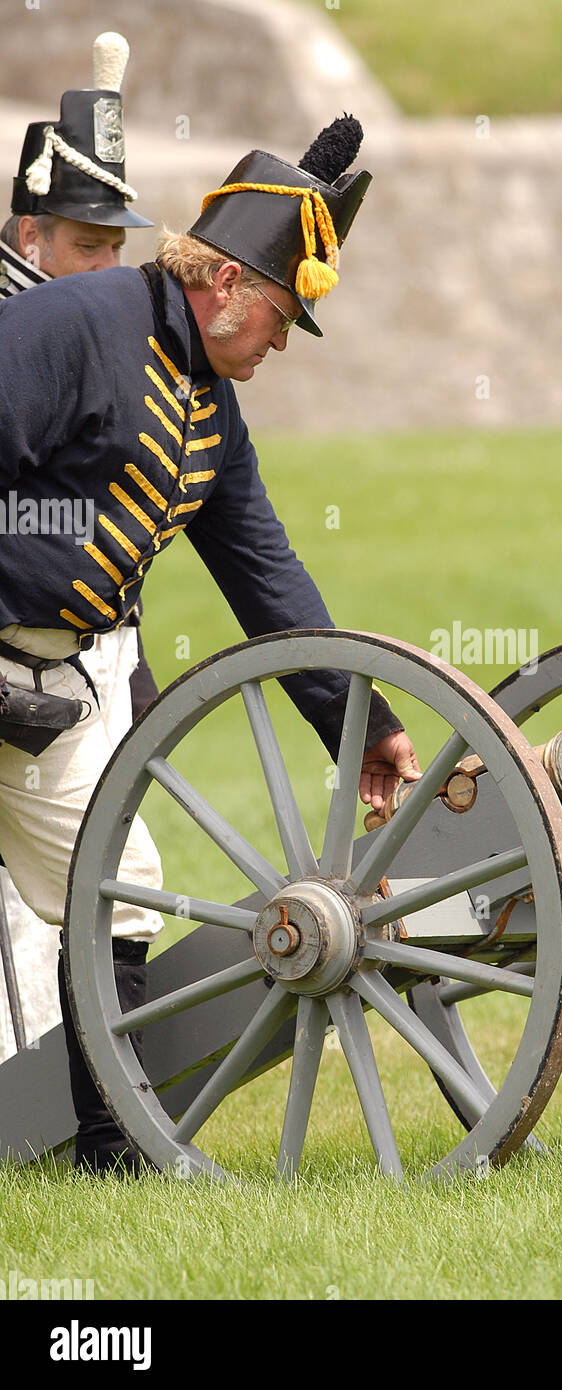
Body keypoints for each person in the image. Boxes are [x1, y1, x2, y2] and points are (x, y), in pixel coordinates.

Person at [0, 112, 420, 1173]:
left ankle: (108, 1146)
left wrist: (359, 727)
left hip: (50, 687)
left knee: (116, 882)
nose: (280, 344)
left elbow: (268, 579)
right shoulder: (68, 326)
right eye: (281, 317)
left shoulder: (206, 406)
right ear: (226, 283)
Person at [0, 33, 159, 1062]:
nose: (109, 269)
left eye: (116, 249)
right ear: (30, 233)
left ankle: (94, 1130)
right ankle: (110, 1136)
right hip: (23, 662)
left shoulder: (95, 326)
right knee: (118, 886)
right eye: (88, 247)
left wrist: (129, 652)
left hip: (77, 662)